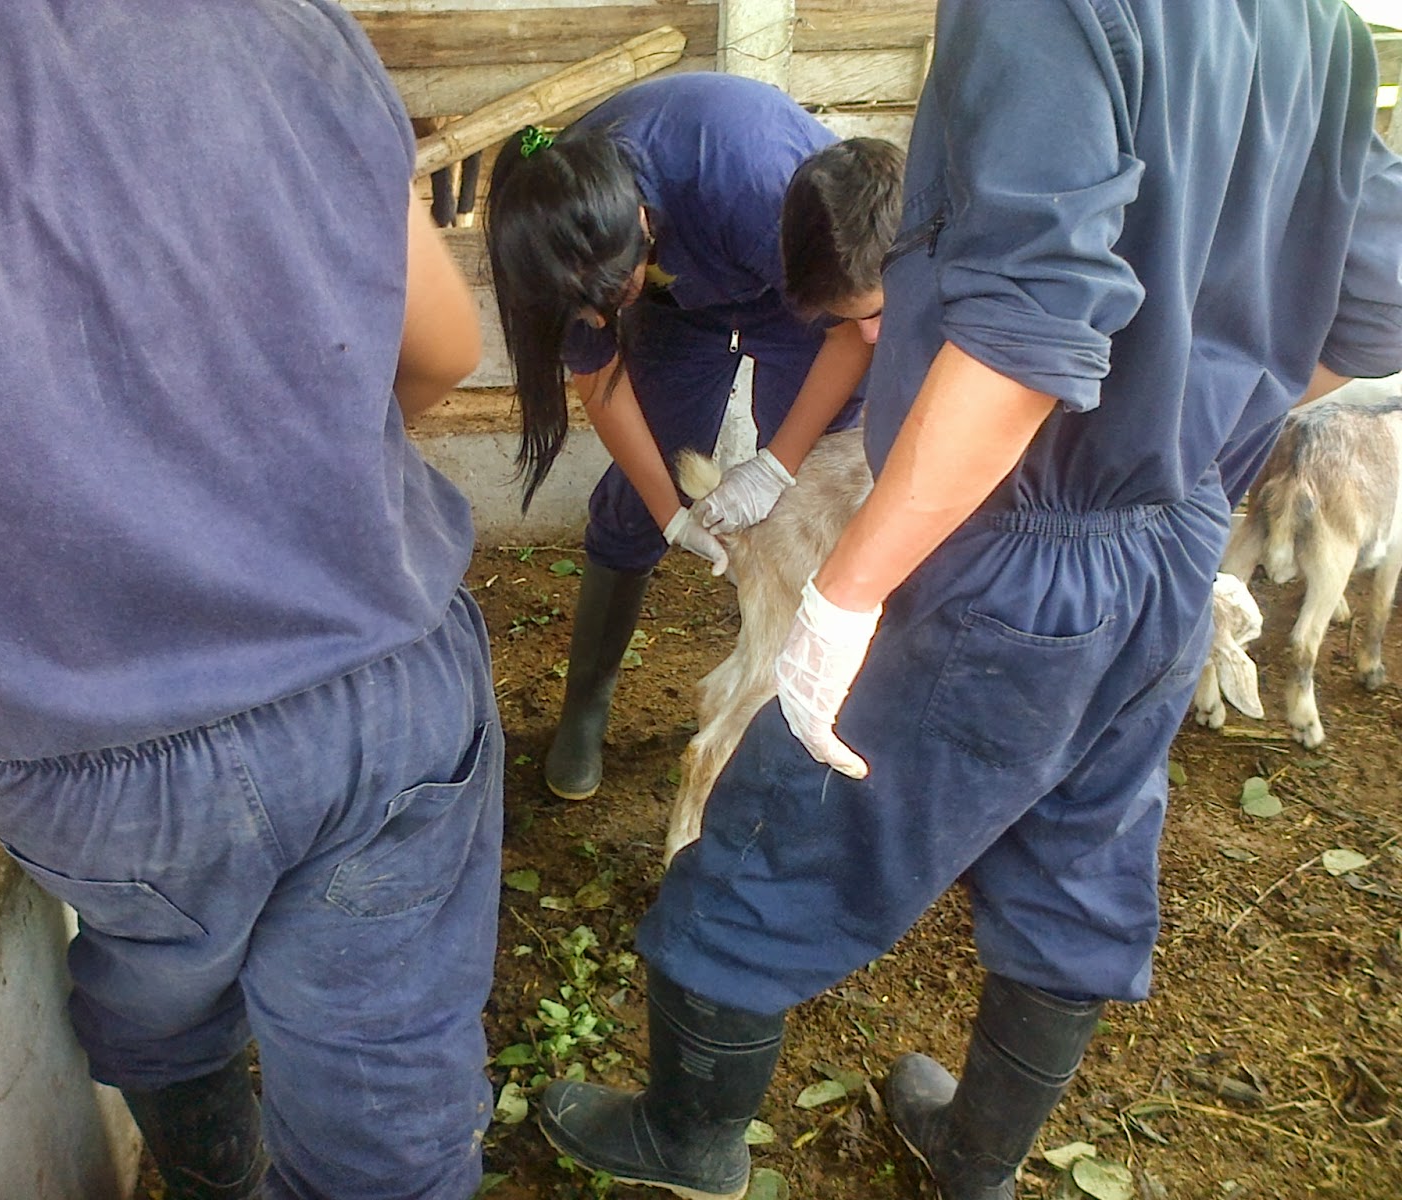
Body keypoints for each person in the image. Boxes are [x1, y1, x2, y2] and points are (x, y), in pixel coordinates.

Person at [537, 5, 1402, 1200]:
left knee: (760, 850)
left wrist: (844, 595)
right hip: (1175, 526)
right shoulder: (1316, 23)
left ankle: (688, 1142)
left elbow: (1024, 334)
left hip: (1010, 535)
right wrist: (1182, 446)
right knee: (1081, 862)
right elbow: (1372, 296)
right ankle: (974, 1164)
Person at [0, 5, 501, 1200]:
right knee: (380, 1088)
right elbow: (439, 347)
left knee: (158, 979)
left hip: (75, 750)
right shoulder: (265, 20)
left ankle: (204, 1168)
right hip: (375, 682)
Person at [484, 73, 904, 800]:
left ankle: (794, 703)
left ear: (644, 222)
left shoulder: (753, 181)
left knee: (807, 498)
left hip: (798, 294)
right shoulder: (556, 241)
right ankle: (586, 705)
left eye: (612, 297)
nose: (597, 316)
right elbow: (601, 378)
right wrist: (669, 513)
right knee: (636, 498)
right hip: (682, 306)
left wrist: (777, 464)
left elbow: (850, 324)